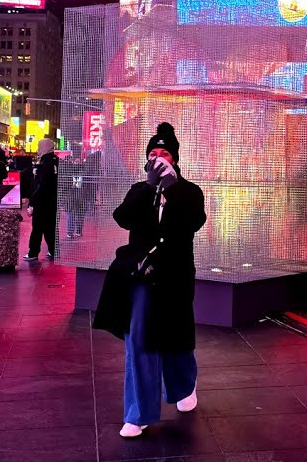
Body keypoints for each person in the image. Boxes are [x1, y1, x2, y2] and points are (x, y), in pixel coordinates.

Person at [93, 123, 206, 439]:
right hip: (141, 277)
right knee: (140, 340)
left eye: (164, 153)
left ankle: (183, 386)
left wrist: (171, 188)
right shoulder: (139, 189)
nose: (158, 158)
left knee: (176, 339)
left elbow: (194, 221)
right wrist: (148, 187)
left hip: (175, 277)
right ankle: (138, 412)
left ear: (175, 159)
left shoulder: (189, 191)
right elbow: (122, 218)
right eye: (153, 153)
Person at [25, 137, 59, 260]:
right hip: (53, 201)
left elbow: (39, 186)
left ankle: (33, 253)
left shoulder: (44, 164)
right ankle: (54, 251)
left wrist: (32, 203)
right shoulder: (56, 162)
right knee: (50, 227)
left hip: (41, 202)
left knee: (37, 228)